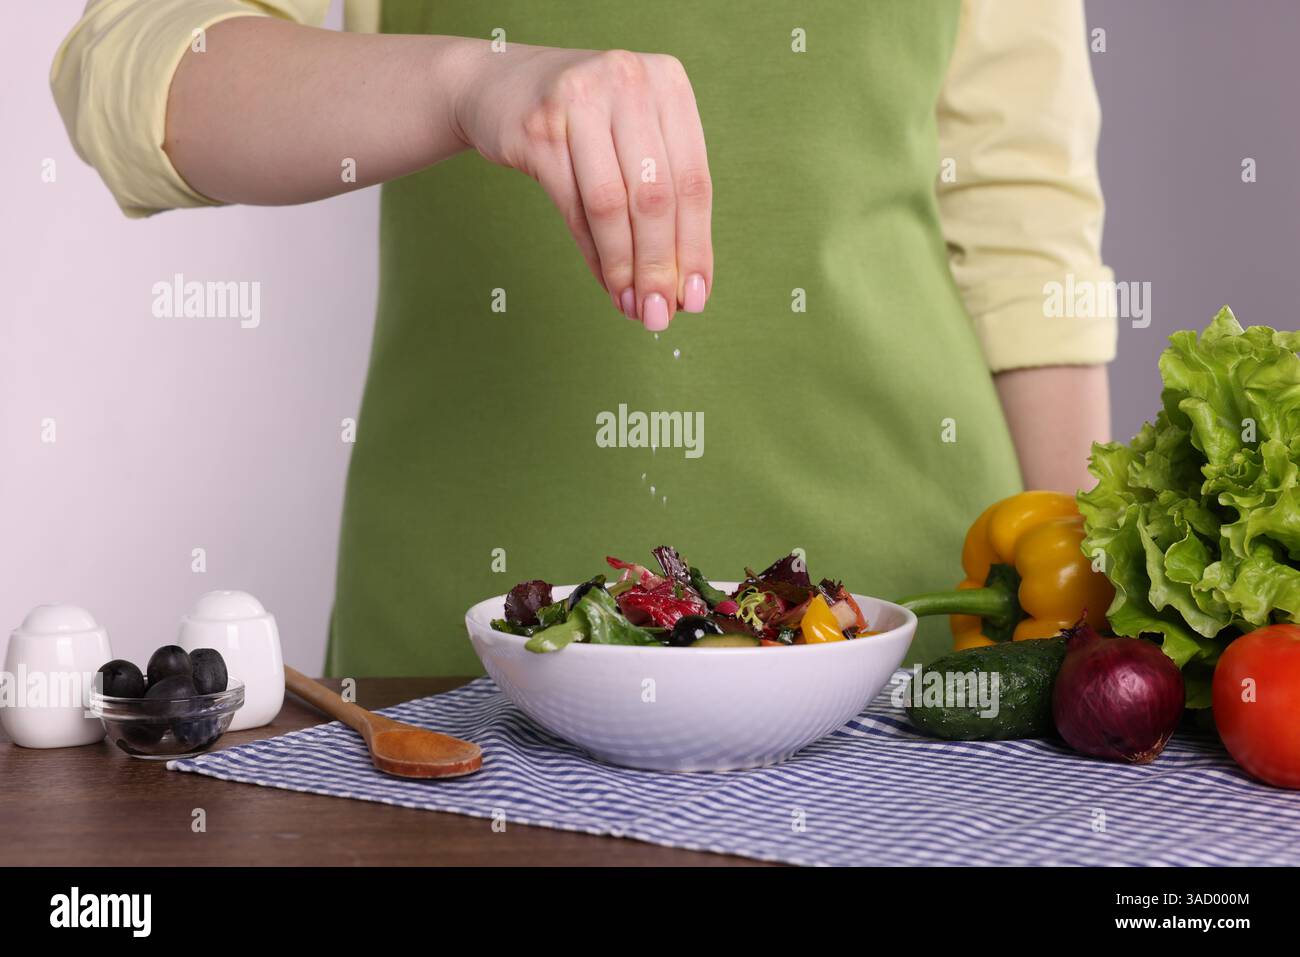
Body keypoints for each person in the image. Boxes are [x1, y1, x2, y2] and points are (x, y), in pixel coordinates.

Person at [51, 0, 1115, 674]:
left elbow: (1025, 229)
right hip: (458, 664)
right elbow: (135, 73)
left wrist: (1078, 633)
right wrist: (465, 84)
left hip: (910, 644)